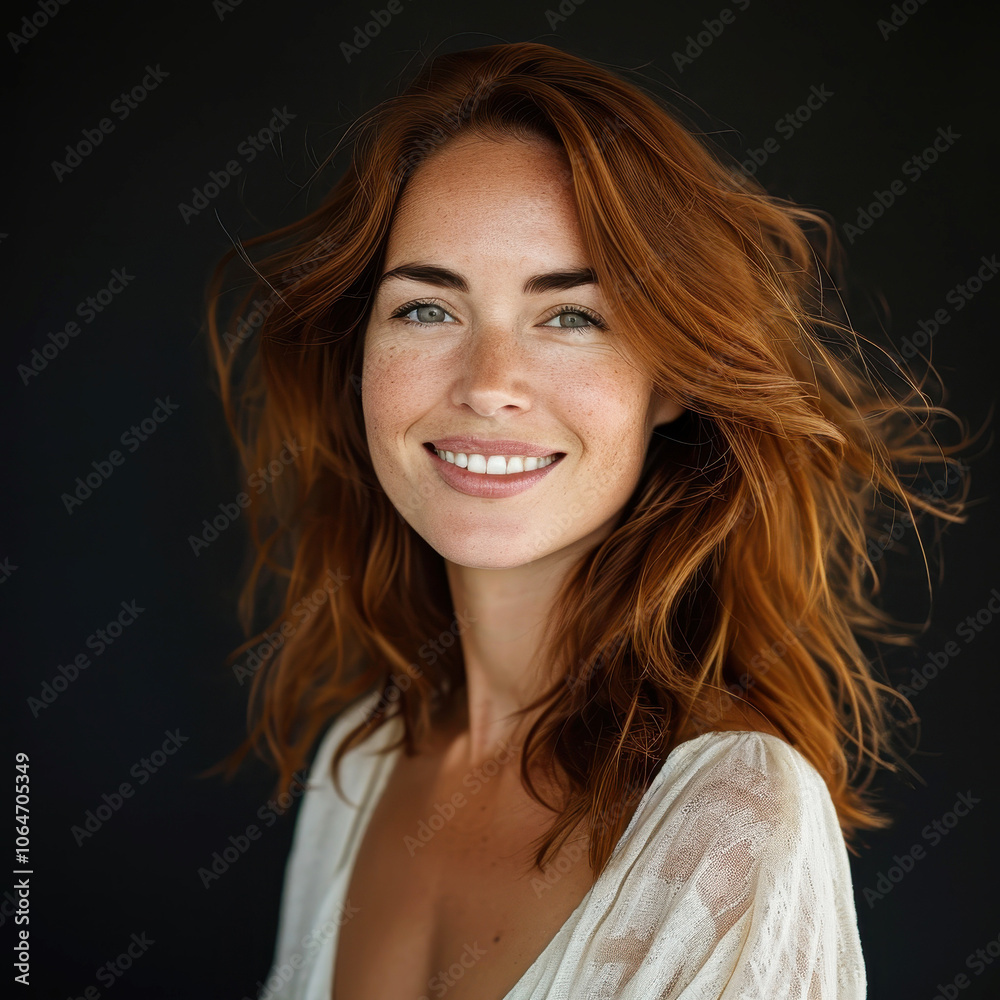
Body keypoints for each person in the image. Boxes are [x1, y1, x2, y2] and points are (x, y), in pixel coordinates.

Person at [203, 41, 971, 999]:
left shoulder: (733, 819)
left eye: (571, 317)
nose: (488, 387)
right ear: (359, 353)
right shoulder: (356, 765)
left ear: (673, 381)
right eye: (427, 310)